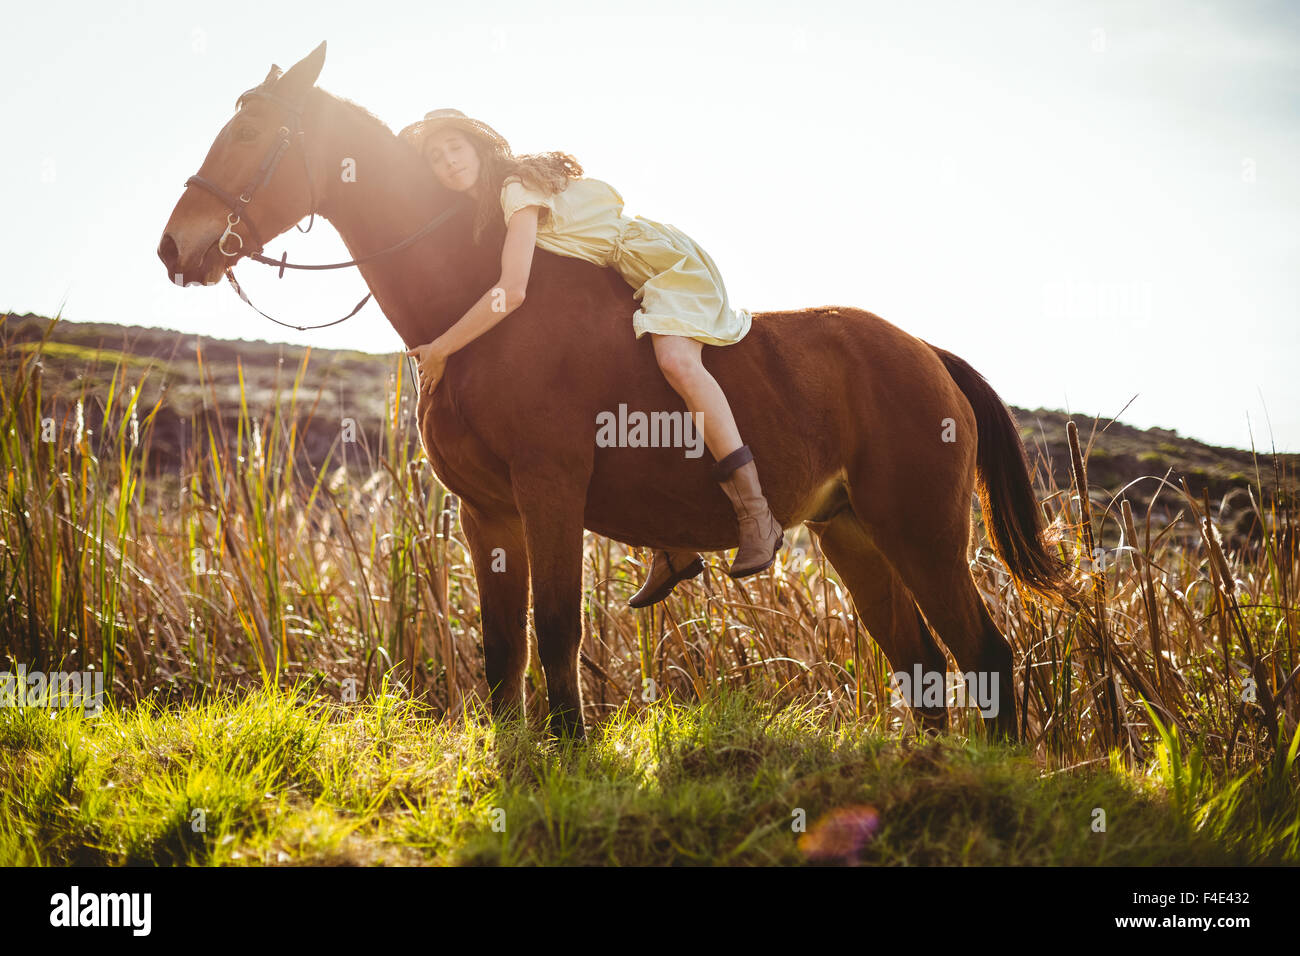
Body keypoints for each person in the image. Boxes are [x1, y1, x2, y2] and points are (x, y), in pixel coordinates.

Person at [398, 108, 782, 607]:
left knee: (676, 363)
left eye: (456, 149)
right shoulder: (490, 206)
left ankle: (756, 512)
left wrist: (442, 347)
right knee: (622, 378)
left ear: (477, 148)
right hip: (617, 275)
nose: (448, 162)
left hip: (662, 265)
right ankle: (673, 546)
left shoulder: (514, 190)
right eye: (435, 157)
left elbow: (511, 291)